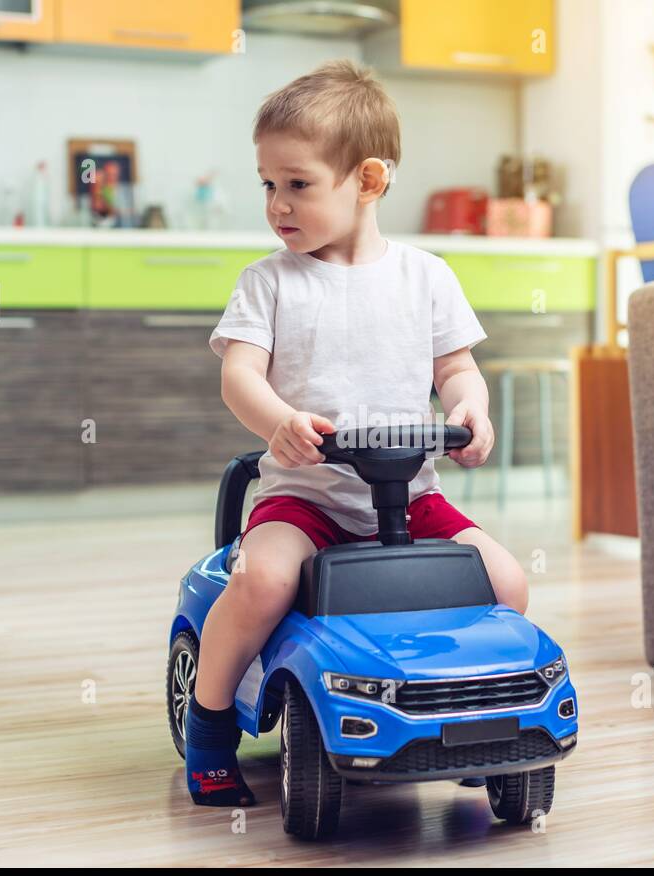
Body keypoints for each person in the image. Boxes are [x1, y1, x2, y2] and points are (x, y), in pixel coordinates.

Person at [186, 59, 529, 807]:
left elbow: (458, 369)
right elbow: (239, 376)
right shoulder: (268, 282)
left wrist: (473, 410)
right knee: (263, 581)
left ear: (368, 181)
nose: (277, 203)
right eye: (267, 183)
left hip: (411, 501)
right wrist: (278, 422)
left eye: (298, 183)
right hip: (306, 500)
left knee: (508, 581)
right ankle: (210, 725)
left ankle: (468, 720)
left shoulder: (426, 276)